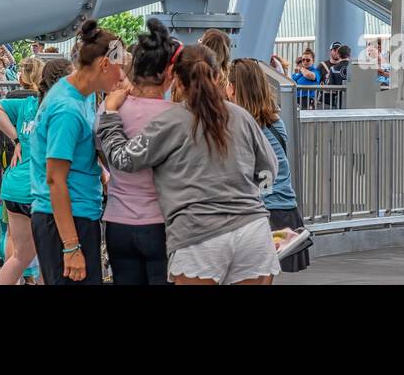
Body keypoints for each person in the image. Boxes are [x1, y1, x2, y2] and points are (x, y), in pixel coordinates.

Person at [97, 45, 281, 285]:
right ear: (217, 77)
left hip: (198, 235)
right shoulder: (240, 116)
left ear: (176, 80)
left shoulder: (168, 122)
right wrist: (254, 195)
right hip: (252, 231)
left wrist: (110, 115)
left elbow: (124, 159)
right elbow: (269, 169)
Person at [29, 19, 125, 285]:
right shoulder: (67, 109)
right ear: (105, 64)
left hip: (74, 215)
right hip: (67, 220)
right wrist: (71, 247)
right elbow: (55, 179)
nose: (122, 77)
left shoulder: (78, 96)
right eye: (120, 68)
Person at [0, 57, 71, 285]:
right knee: (50, 259)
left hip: (13, 187)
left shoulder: (27, 105)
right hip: (41, 191)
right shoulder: (62, 111)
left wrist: (16, 138)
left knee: (19, 257)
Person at [101, 19, 179, 285]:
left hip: (117, 223)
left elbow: (102, 152)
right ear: (168, 73)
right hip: (161, 224)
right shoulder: (176, 118)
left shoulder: (109, 109)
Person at [229, 58, 308, 273]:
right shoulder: (276, 123)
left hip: (256, 212)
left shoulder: (239, 126)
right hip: (284, 207)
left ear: (233, 88)